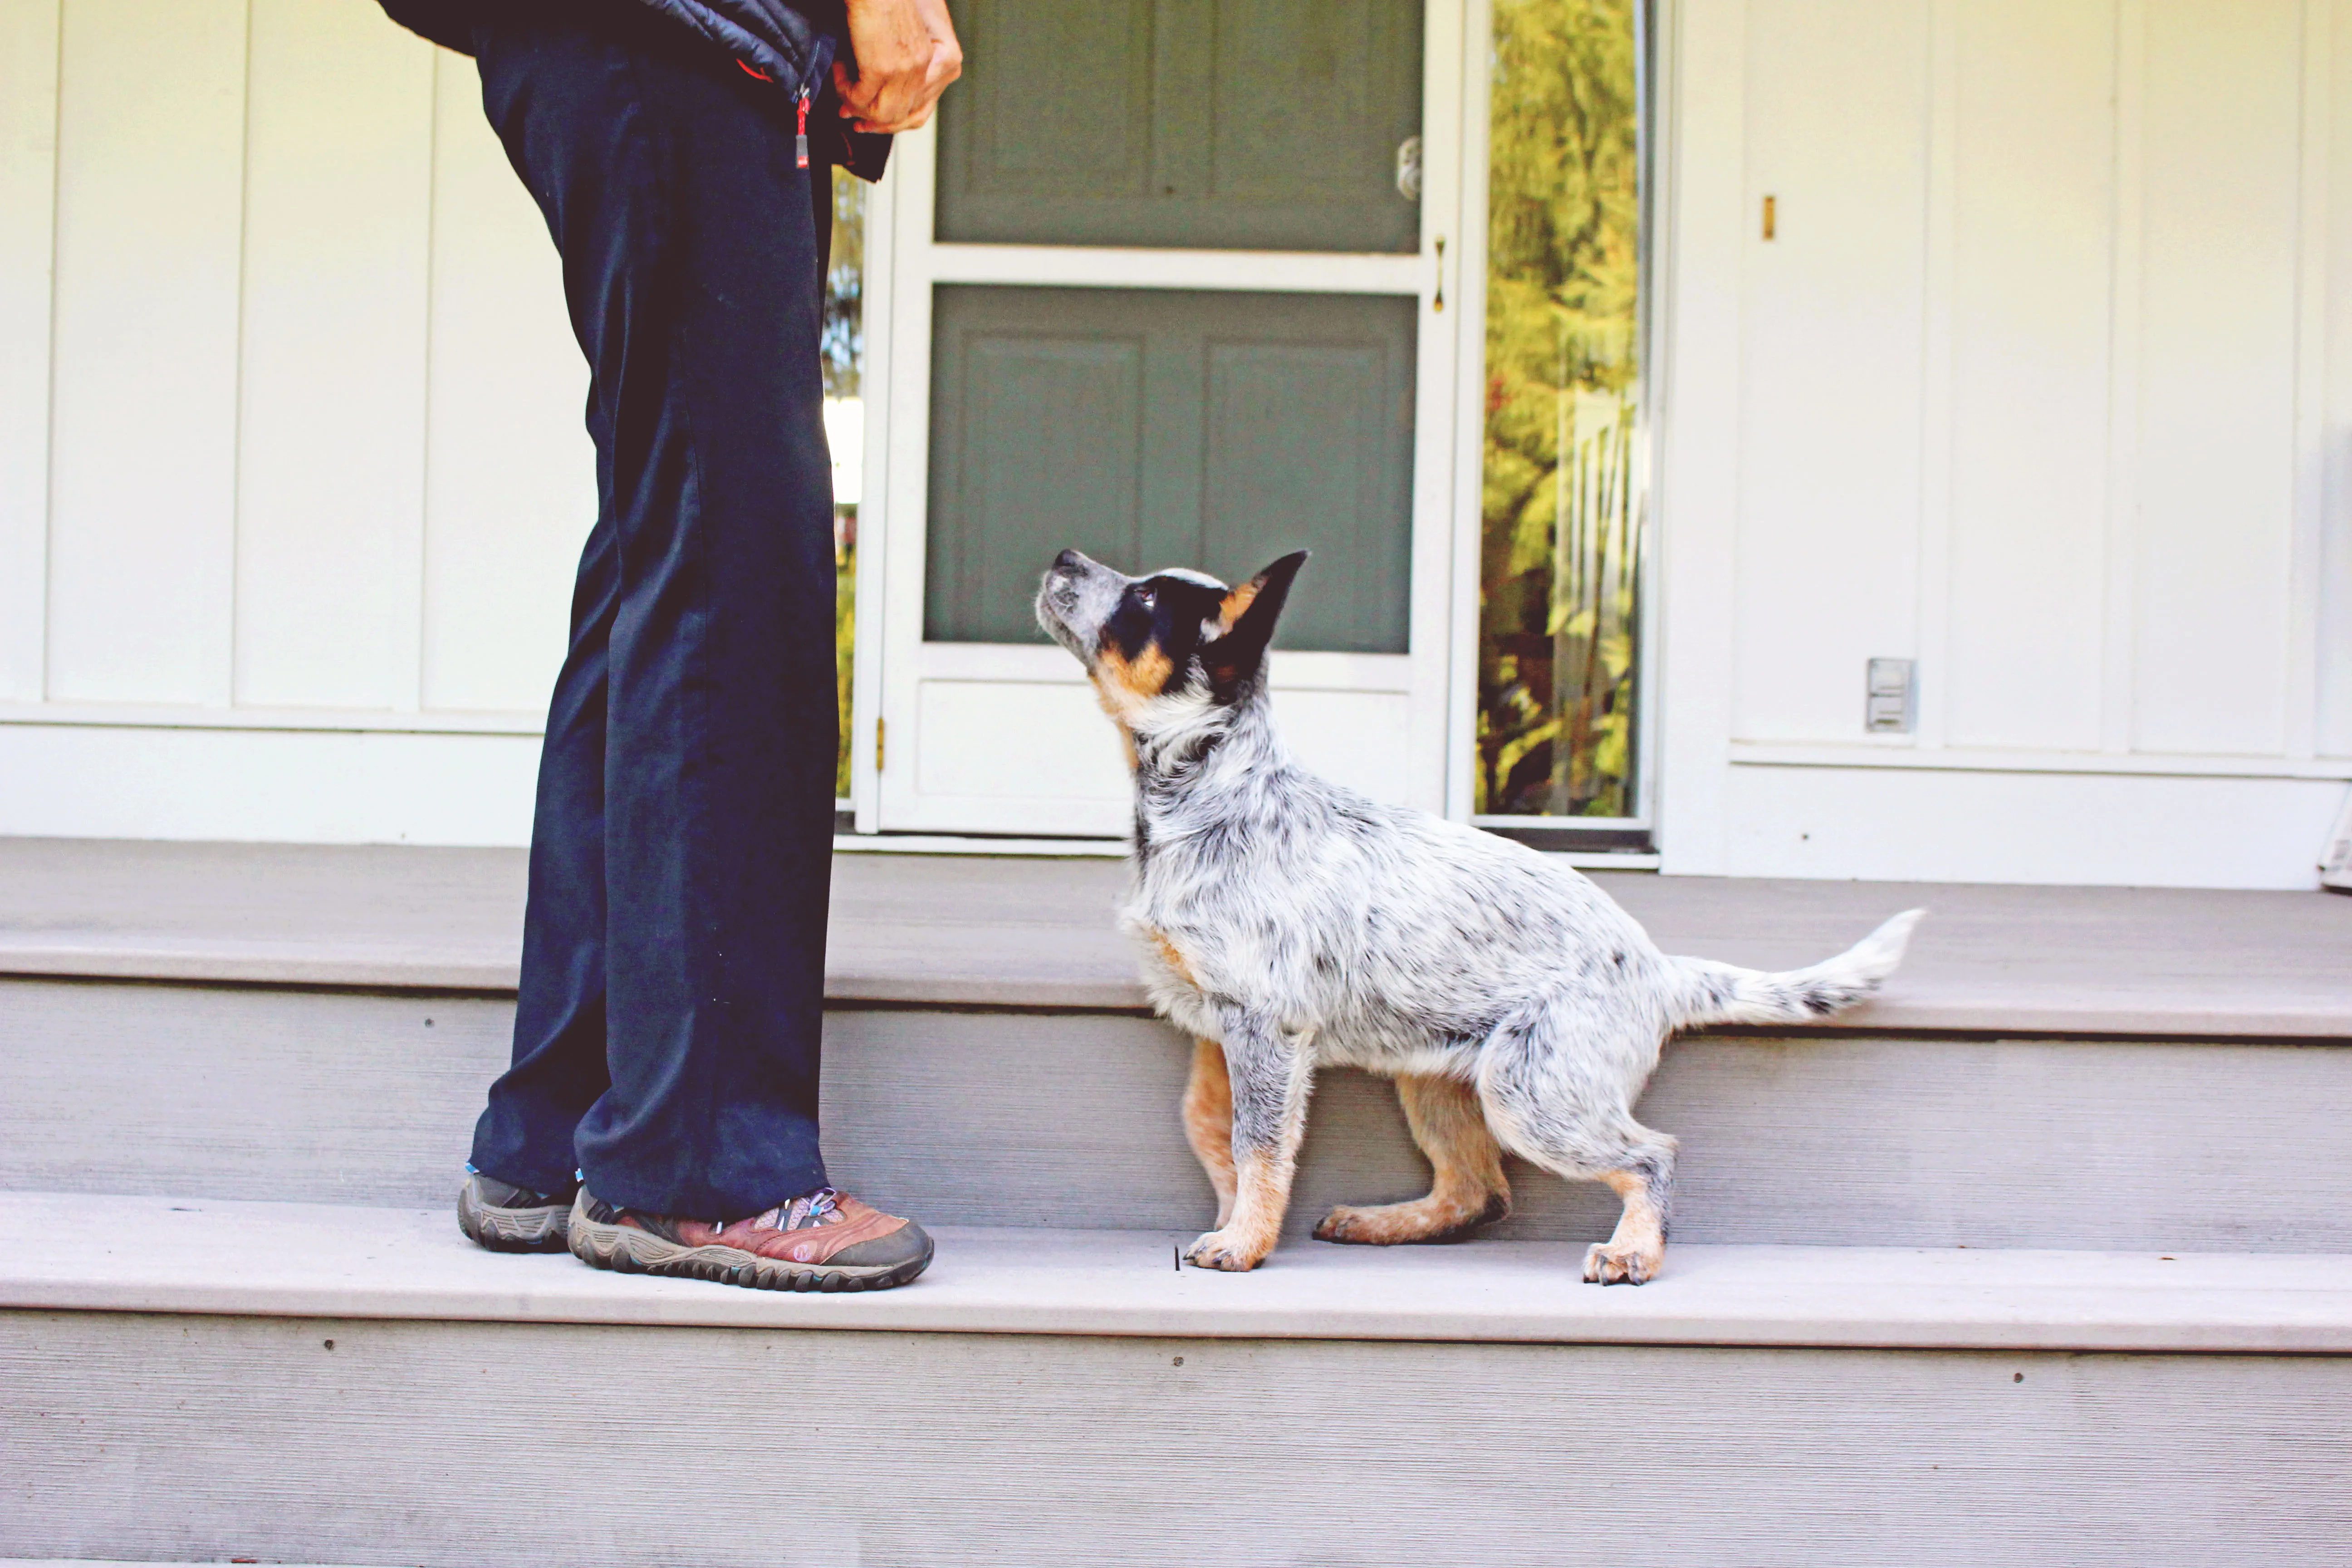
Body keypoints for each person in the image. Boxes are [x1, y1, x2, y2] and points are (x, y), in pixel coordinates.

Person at [375, 0, 961, 1291]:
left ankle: (559, 1127)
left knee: (672, 536)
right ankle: (697, 1168)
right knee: (731, 558)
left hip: (649, 39)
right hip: (674, 40)